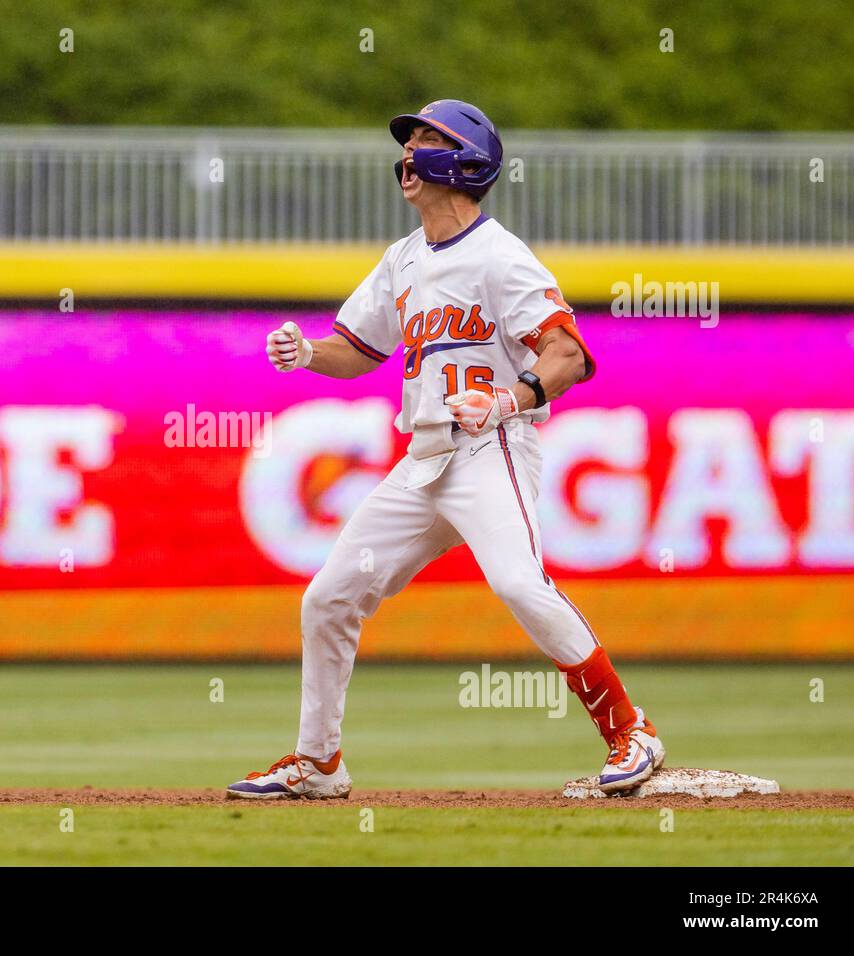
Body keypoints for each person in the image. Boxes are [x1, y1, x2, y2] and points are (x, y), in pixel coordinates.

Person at [227, 99, 664, 799]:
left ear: (465, 162)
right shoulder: (402, 259)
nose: (409, 152)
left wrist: (506, 401)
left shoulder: (499, 256)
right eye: (408, 141)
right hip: (425, 458)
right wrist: (308, 351)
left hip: (491, 449)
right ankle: (319, 764)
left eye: (427, 139)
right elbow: (357, 349)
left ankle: (630, 730)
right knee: (328, 598)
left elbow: (569, 354)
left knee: (521, 583)